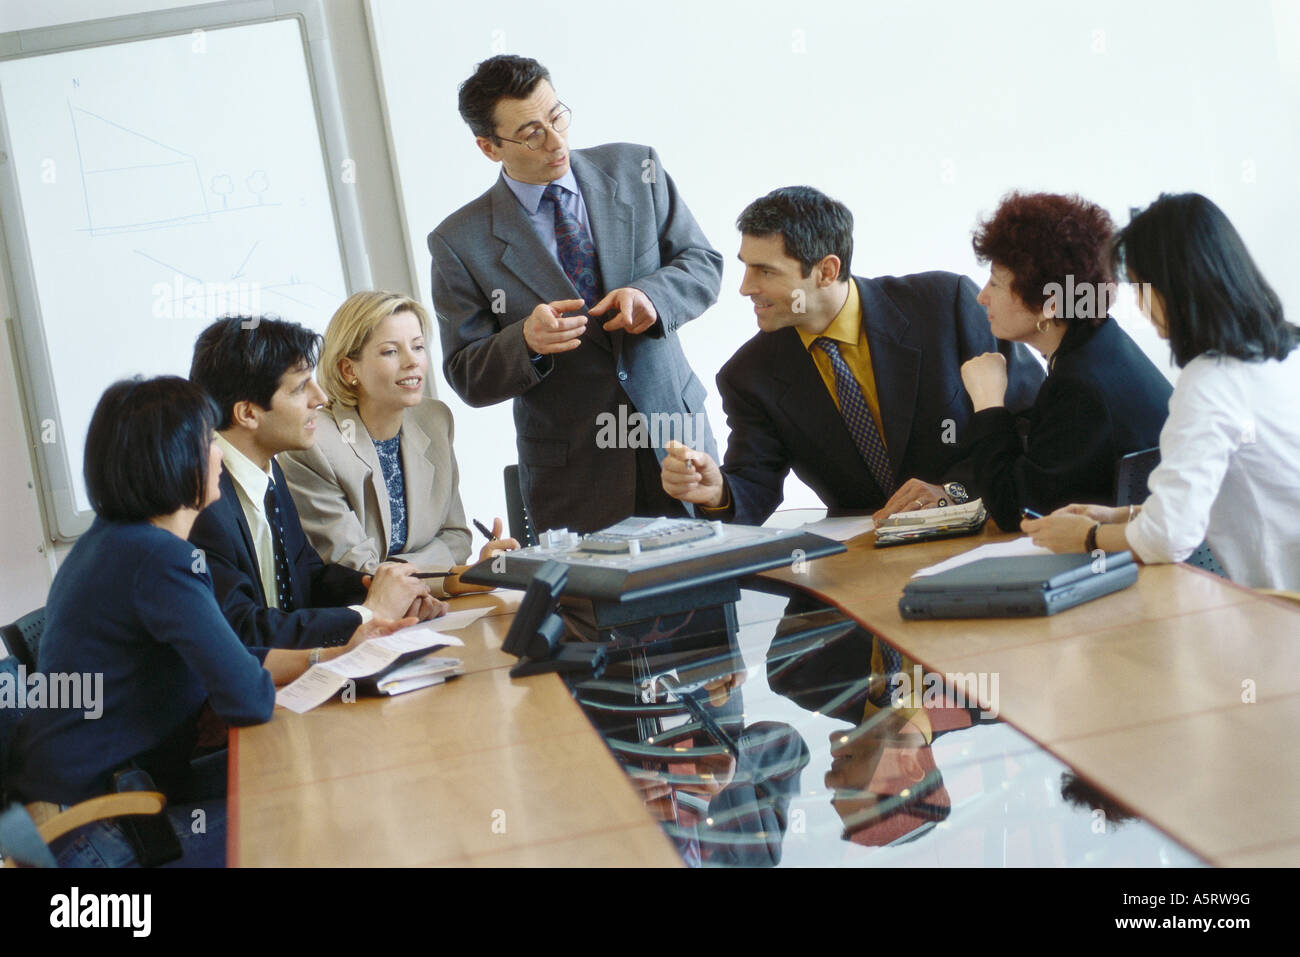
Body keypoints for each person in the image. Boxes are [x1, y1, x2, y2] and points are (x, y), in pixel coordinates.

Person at [4, 377, 409, 867]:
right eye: (206, 442)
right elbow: (248, 697)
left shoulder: (110, 543)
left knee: (328, 769)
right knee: (324, 811)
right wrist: (298, 673)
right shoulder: (158, 560)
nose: (218, 455)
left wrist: (335, 655)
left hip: (115, 797)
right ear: (175, 460)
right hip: (109, 832)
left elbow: (232, 665)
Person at [429, 54, 722, 534]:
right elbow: (466, 374)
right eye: (531, 133)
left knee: (713, 596)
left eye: (557, 116)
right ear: (488, 147)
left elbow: (703, 264)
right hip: (576, 476)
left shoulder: (637, 167)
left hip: (677, 439)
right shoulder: (459, 241)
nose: (556, 141)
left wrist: (652, 298)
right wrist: (525, 341)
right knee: (600, 607)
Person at [660, 186, 1044, 525]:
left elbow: (1035, 423)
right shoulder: (748, 375)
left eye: (765, 272)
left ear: (827, 270)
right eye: (746, 267)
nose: (745, 288)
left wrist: (955, 491)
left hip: (984, 530)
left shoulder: (946, 305)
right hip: (861, 558)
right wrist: (717, 491)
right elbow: (754, 482)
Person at [1024, 193, 1300, 590]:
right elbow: (1234, 491)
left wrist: (1085, 538)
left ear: (1170, 287)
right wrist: (1126, 516)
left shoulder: (1210, 382)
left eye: (1139, 287)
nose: (1138, 305)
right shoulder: (1284, 351)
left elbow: (1169, 537)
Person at [189, 316, 443, 653]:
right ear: (248, 414)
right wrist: (369, 613)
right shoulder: (199, 498)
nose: (320, 397)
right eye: (299, 388)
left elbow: (309, 578)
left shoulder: (267, 470)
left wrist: (389, 592)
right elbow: (242, 631)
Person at [958, 191, 1173, 530]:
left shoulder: (1079, 386)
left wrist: (987, 403)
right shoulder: (1103, 346)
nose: (982, 297)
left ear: (1051, 304)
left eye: (996, 284)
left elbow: (1016, 512)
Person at [280, 292, 518, 596]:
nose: (412, 362)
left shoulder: (435, 419)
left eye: (418, 347)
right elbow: (356, 571)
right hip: (353, 617)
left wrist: (403, 569)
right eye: (391, 351)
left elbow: (457, 537)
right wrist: (453, 576)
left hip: (424, 609)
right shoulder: (314, 442)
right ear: (348, 370)